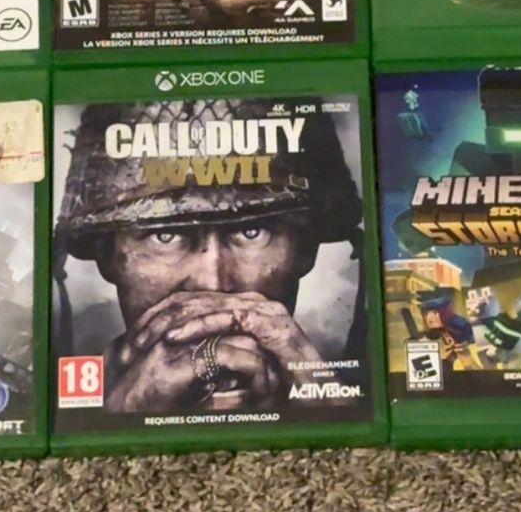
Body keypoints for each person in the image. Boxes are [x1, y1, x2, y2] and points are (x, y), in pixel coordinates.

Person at [54, 99, 365, 414]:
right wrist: (119, 417)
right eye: (166, 236)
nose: (213, 283)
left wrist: (332, 407)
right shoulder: (45, 395)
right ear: (105, 254)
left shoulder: (366, 386)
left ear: (306, 248)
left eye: (252, 232)